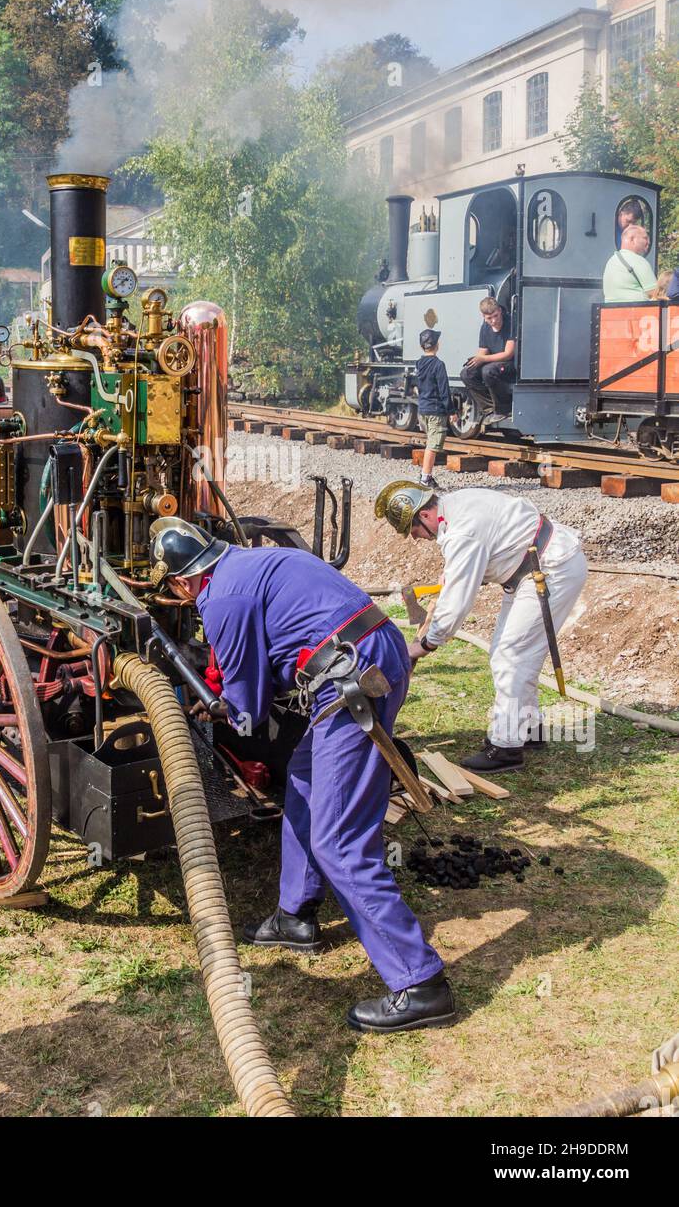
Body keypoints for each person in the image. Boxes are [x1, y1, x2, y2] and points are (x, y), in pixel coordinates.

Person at [149, 516, 456, 1034]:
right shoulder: (253, 562)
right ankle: (296, 915)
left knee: (339, 842)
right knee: (304, 782)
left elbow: (247, 703)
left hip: (349, 680)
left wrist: (219, 713)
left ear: (181, 581)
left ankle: (420, 983)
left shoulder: (220, 597)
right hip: (377, 652)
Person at [375, 481, 588, 773]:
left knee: (511, 656)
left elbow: (458, 602)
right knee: (505, 652)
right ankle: (528, 729)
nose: (415, 539)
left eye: (413, 531)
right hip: (532, 566)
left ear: (424, 515)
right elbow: (456, 575)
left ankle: (505, 748)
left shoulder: (463, 531)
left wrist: (425, 645)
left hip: (551, 568)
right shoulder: (455, 506)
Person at [460, 298, 516, 421]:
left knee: (488, 371)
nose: (493, 321)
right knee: (467, 373)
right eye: (489, 318)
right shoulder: (485, 327)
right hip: (493, 363)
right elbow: (483, 351)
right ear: (483, 316)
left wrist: (483, 359)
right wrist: (476, 360)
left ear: (500, 310)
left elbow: (508, 354)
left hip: (511, 365)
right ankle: (489, 409)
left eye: (495, 316)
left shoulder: (511, 323)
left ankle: (504, 409)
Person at [415, 327, 452, 490]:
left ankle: (426, 476)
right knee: (432, 446)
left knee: (430, 443)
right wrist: (451, 411)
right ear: (437, 344)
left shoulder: (419, 363)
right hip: (436, 411)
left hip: (422, 410)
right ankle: (425, 479)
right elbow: (444, 389)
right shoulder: (439, 365)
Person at [602, 225, 658, 303]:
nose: (648, 242)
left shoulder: (611, 261)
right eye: (645, 238)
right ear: (632, 239)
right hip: (637, 310)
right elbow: (654, 293)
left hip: (609, 310)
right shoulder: (638, 261)